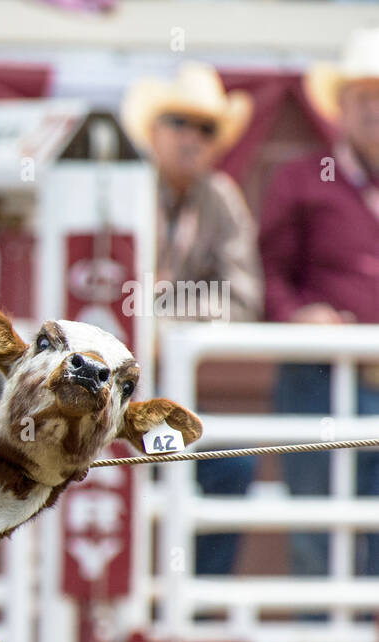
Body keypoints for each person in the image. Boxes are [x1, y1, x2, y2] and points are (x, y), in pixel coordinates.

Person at [121, 61, 263, 575]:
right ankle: (135, 606)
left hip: (173, 394)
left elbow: (245, 299)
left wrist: (167, 323)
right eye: (179, 122)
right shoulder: (122, 189)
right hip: (110, 391)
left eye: (205, 128)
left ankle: (193, 609)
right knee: (109, 484)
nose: (191, 138)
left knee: (230, 468)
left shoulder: (221, 197)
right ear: (154, 132)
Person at [261, 27, 379, 579]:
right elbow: (268, 272)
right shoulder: (301, 180)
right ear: (343, 106)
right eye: (365, 96)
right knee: (316, 522)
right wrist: (298, 316)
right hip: (318, 374)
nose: (376, 108)